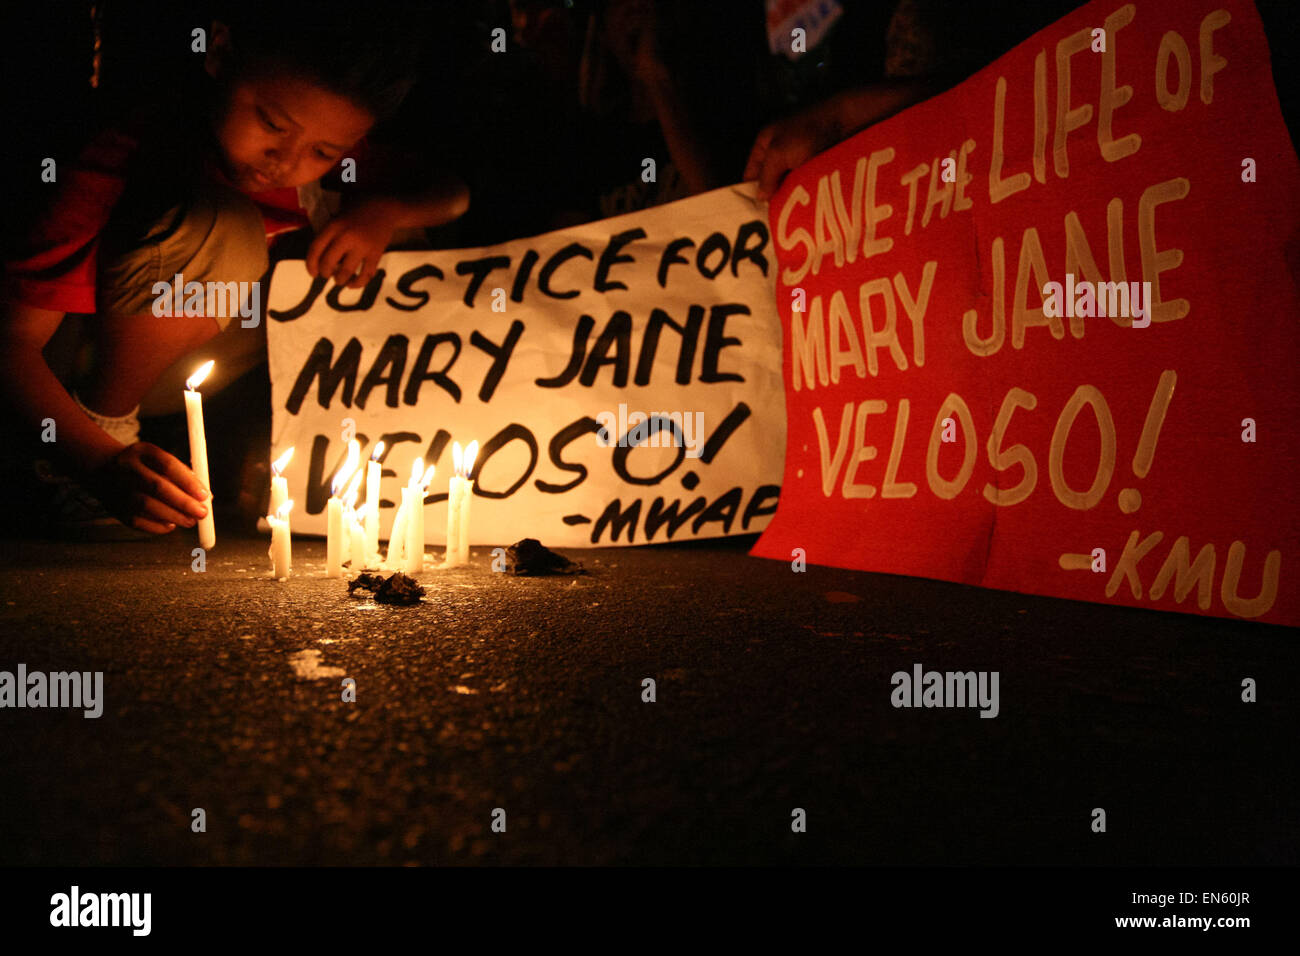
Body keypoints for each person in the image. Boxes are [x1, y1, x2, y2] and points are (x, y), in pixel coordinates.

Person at [1, 2, 469, 538]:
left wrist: (384, 213)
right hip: (68, 370)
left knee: (398, 241)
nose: (285, 161)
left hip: (198, 362)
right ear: (220, 52)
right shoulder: (122, 150)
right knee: (224, 227)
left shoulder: (341, 165)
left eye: (322, 150)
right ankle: (94, 438)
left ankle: (328, 453)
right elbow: (11, 343)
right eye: (271, 123)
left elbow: (452, 193)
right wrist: (97, 460)